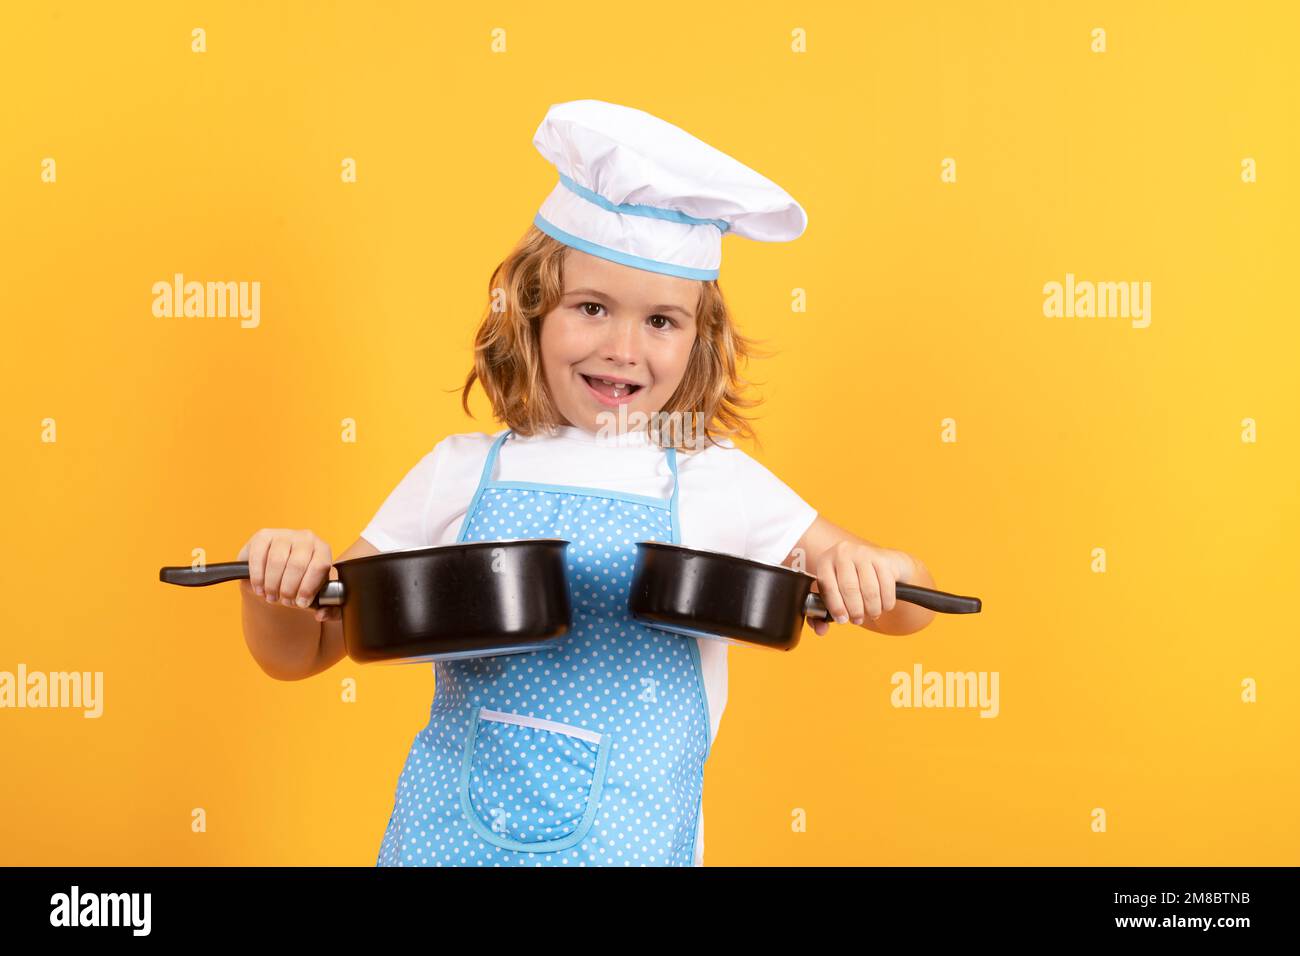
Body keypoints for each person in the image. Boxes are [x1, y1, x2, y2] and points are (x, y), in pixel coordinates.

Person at [237, 99, 940, 866]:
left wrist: (879, 572)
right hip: (442, 844)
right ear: (531, 313)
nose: (623, 348)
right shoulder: (460, 473)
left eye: (661, 321)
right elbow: (302, 652)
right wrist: (275, 582)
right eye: (593, 307)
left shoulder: (716, 479)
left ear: (697, 342)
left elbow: (909, 608)